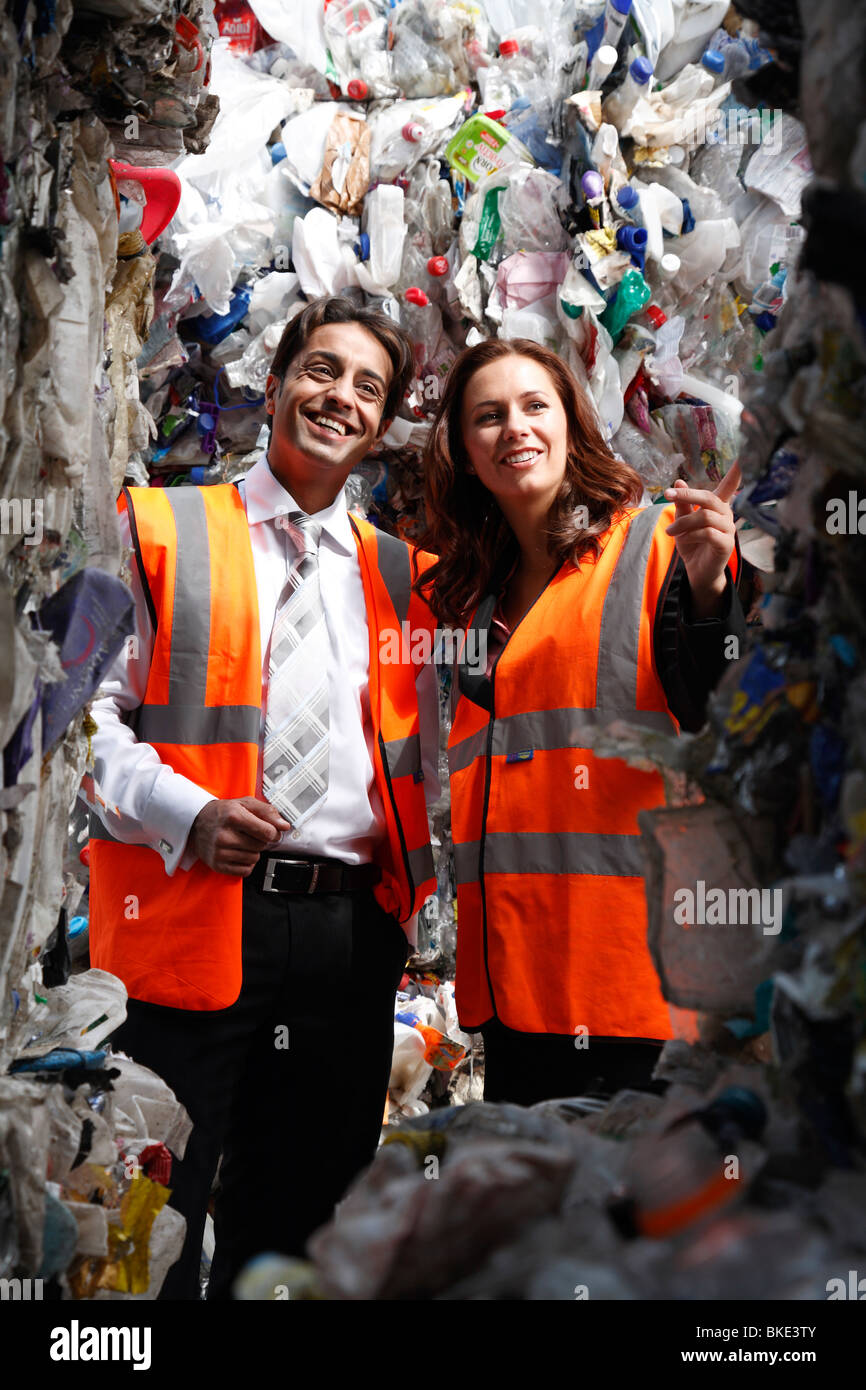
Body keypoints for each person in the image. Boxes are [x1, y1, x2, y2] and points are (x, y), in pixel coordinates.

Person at [81, 296, 440, 1298]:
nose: (341, 397)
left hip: (343, 941)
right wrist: (187, 812)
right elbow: (82, 724)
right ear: (275, 383)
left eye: (368, 387)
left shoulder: (407, 581)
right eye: (323, 371)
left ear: (381, 425)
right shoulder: (157, 524)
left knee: (298, 1228)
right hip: (188, 919)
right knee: (144, 1213)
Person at [417, 338, 747, 1107]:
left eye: (536, 406)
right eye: (488, 416)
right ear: (465, 453)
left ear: (571, 424)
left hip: (637, 995)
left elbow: (723, 715)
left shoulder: (657, 543)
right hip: (515, 989)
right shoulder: (471, 599)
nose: (516, 428)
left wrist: (708, 598)